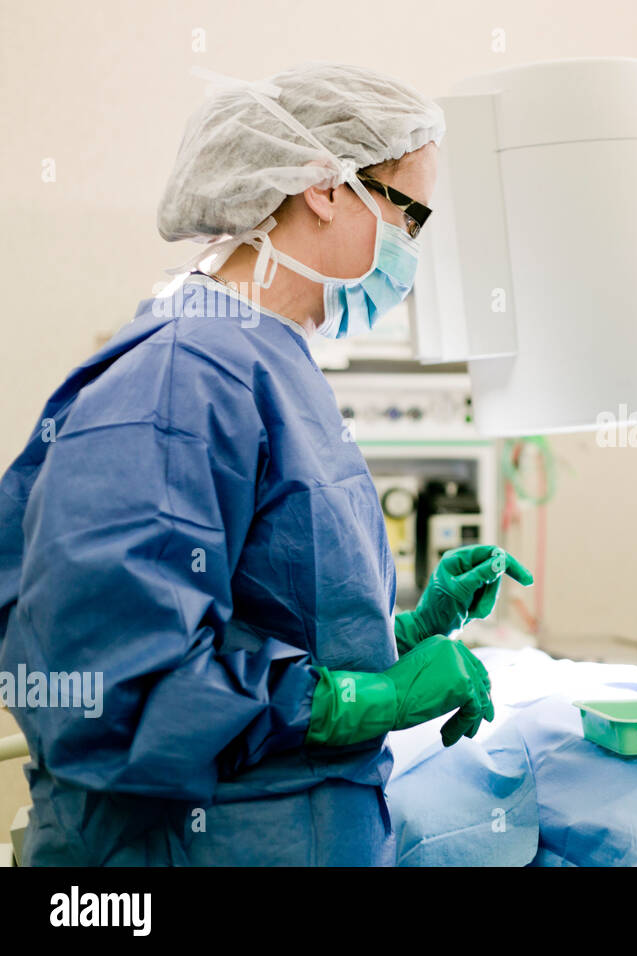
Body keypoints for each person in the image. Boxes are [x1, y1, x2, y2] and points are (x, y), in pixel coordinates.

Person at [0, 63, 531, 865]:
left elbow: (261, 618)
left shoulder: (269, 363)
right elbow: (117, 683)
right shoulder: (184, 375)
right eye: (409, 214)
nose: (411, 248)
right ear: (325, 187)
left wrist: (406, 633)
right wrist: (374, 697)